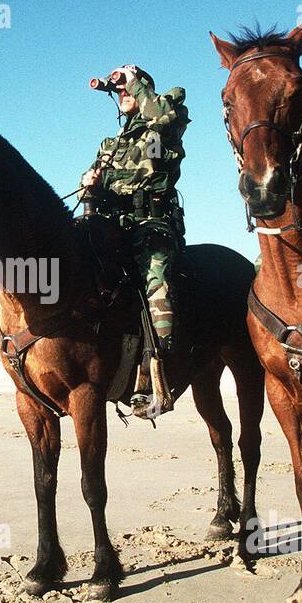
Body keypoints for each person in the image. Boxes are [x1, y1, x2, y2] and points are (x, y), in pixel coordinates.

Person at [78, 65, 189, 416]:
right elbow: (93, 192)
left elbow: (162, 121)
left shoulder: (165, 121)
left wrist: (136, 84)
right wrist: (89, 184)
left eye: (128, 88)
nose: (123, 93)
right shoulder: (110, 145)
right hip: (110, 226)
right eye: (120, 90)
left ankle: (158, 373)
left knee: (156, 282)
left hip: (150, 224)